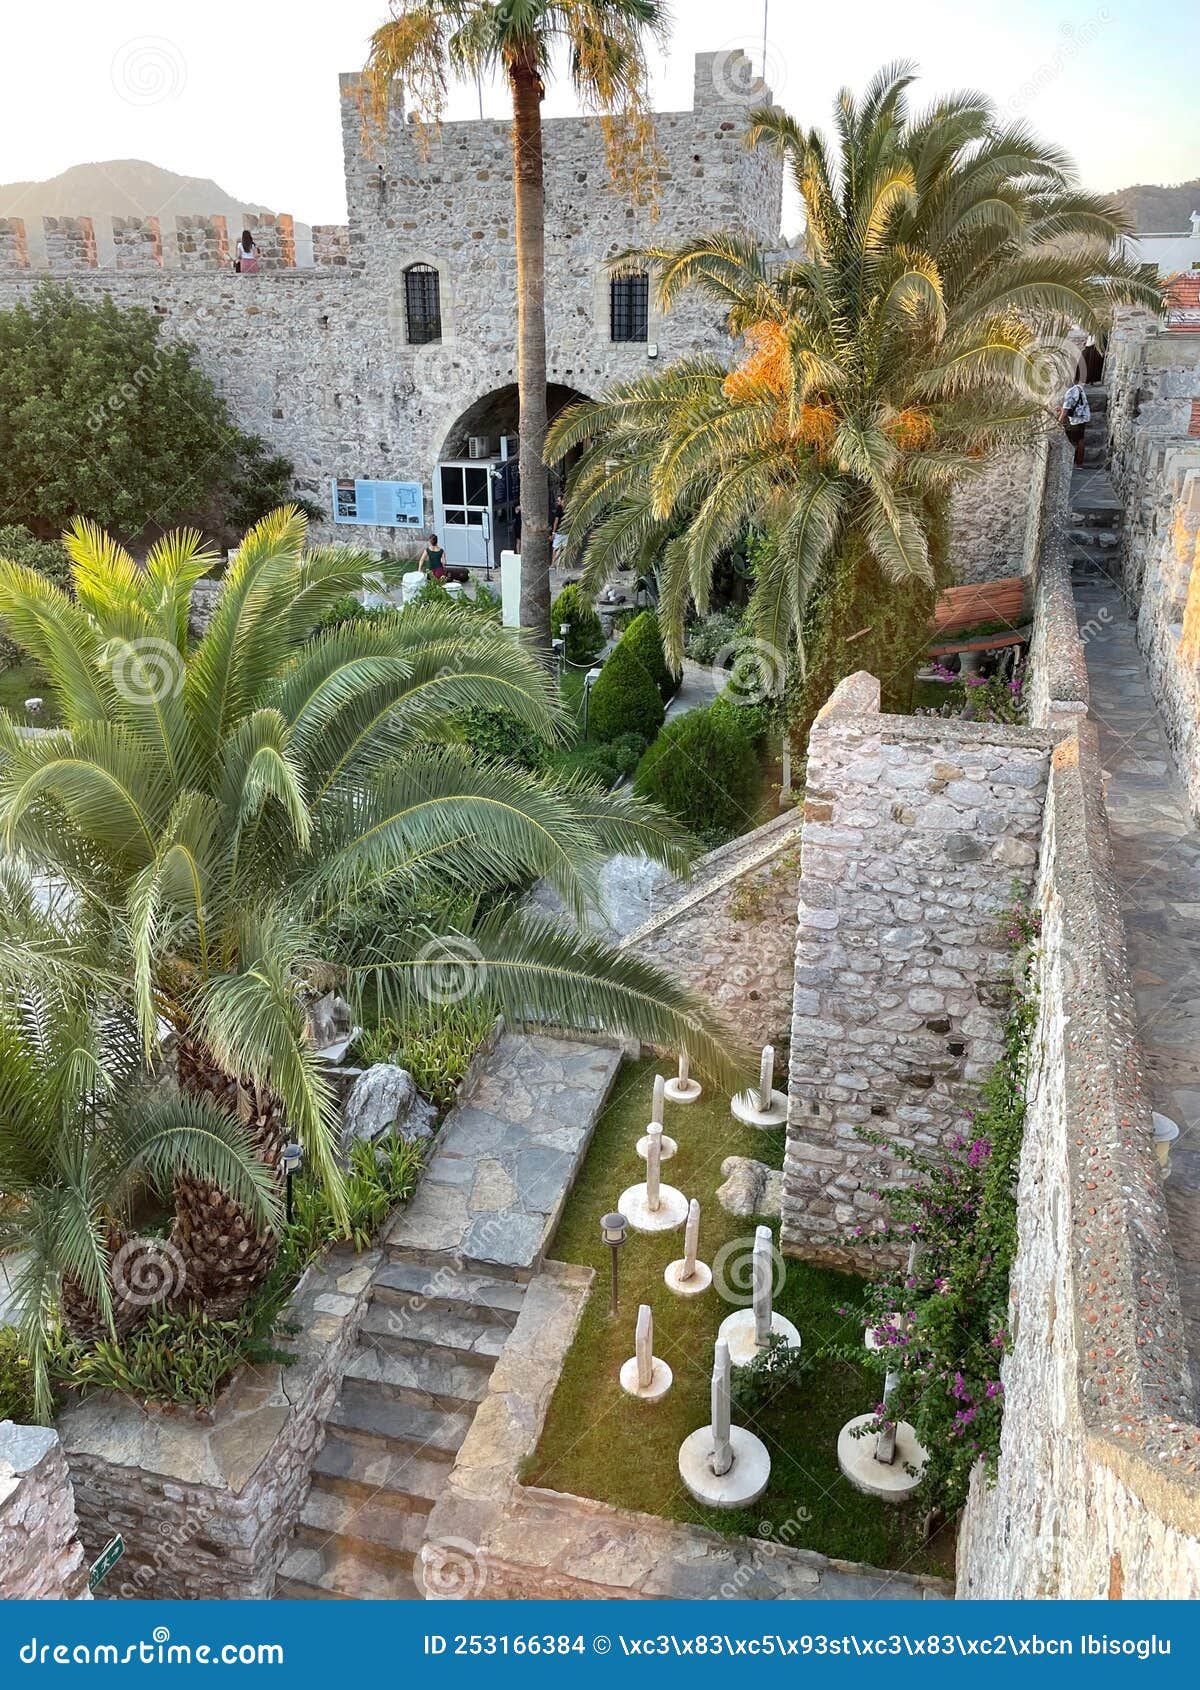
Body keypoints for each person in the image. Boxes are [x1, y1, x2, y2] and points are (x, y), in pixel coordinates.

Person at [1058, 380, 1091, 468]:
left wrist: (1058, 423)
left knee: (1072, 440)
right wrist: (1062, 409)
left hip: (1076, 420)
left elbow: (1065, 411)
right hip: (1084, 417)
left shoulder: (1069, 392)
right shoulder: (1078, 388)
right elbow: (1076, 405)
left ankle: (1073, 462)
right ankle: (1079, 463)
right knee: (1080, 439)